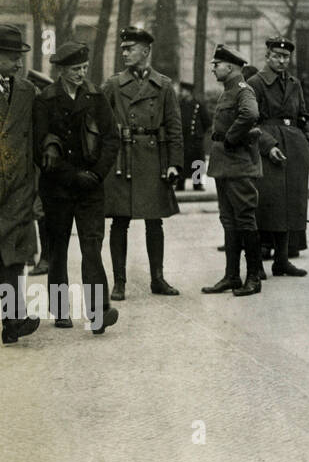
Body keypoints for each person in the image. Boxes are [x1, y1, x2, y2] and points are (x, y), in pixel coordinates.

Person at [34, 42, 121, 333]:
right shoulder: (45, 100)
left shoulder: (96, 97)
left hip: (91, 188)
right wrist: (73, 176)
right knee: (58, 248)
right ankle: (60, 311)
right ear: (61, 70)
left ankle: (98, 313)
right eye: (75, 70)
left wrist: (97, 174)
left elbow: (111, 139)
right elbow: (40, 148)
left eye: (84, 68)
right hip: (58, 188)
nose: (81, 74)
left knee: (92, 248)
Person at [101, 26, 182, 299]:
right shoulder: (112, 85)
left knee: (154, 222)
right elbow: (97, 120)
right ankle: (119, 282)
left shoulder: (164, 85)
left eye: (130, 48)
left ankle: (157, 279)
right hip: (123, 159)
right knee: (119, 222)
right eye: (123, 48)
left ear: (145, 51)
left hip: (152, 159)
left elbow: (174, 129)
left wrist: (175, 164)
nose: (124, 52)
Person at [202, 45, 265, 296]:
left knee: (245, 219)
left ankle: (253, 277)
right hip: (224, 164)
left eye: (216, 64)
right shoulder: (228, 91)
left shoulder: (242, 90)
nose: (213, 68)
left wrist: (231, 138)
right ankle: (231, 276)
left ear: (230, 67)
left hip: (238, 164)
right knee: (228, 220)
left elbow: (251, 114)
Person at [245, 37, 309, 277]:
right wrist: (268, 145)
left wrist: (306, 142)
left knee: (290, 205)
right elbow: (249, 121)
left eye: (286, 57)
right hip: (267, 147)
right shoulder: (255, 83)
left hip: (294, 147)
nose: (282, 61)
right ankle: (258, 264)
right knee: (266, 205)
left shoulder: (295, 83)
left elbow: (303, 115)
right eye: (277, 56)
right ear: (267, 57)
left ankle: (282, 260)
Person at [0, 24, 41, 345]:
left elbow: (40, 135)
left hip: (17, 186)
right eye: (12, 56)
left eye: (19, 57)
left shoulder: (27, 91)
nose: (18, 63)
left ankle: (13, 319)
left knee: (12, 256)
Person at [177, 81, 211, 190]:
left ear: (189, 92)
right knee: (181, 160)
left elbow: (207, 122)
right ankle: (180, 183)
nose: (181, 93)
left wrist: (199, 133)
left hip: (195, 139)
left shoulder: (198, 105)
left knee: (197, 160)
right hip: (183, 138)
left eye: (183, 91)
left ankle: (197, 183)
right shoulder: (179, 105)